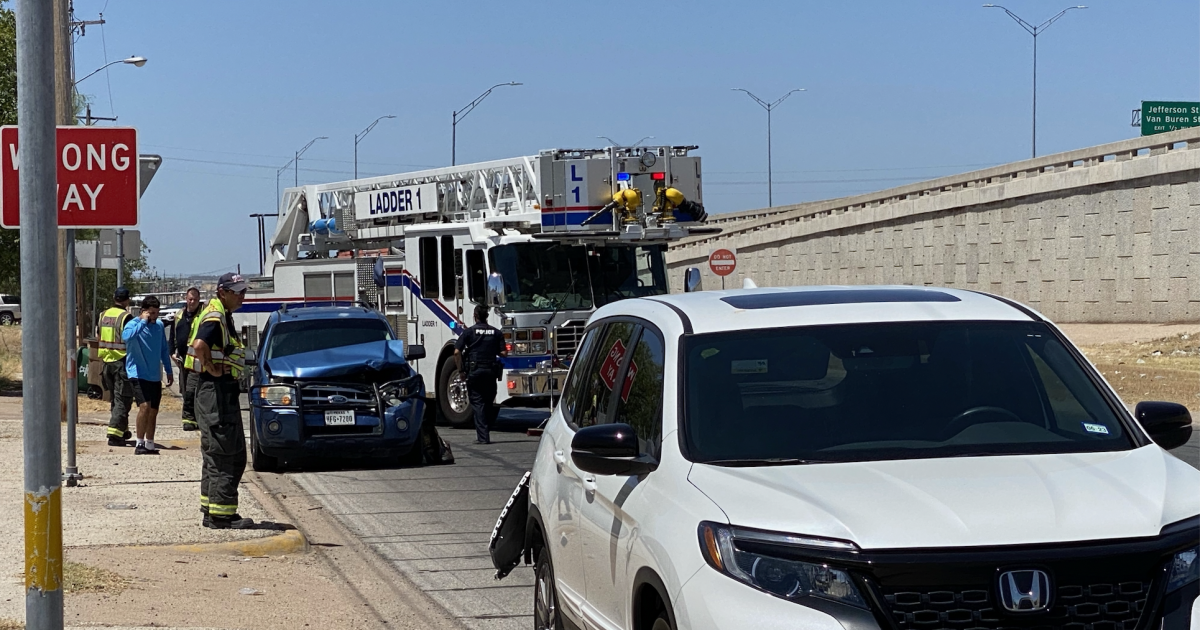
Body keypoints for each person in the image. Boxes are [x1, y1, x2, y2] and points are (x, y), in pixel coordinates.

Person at [186, 273, 251, 529]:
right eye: (238, 291)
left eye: (244, 291)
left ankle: (212, 510)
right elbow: (200, 344)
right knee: (227, 454)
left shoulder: (220, 314)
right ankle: (221, 515)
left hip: (217, 392)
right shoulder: (215, 317)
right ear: (223, 292)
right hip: (216, 392)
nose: (242, 295)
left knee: (217, 454)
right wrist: (211, 368)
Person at [122, 296, 174, 455]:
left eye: (156, 313)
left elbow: (164, 350)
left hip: (154, 374)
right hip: (137, 372)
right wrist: (143, 322)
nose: (154, 316)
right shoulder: (133, 324)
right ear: (144, 312)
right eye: (151, 313)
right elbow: (127, 337)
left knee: (153, 410)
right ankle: (139, 443)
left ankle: (150, 443)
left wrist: (169, 370)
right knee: (144, 407)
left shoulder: (158, 326)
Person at [454, 304, 507, 444]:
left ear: (475, 316)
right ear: (487, 316)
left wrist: (461, 371)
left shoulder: (468, 333)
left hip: (475, 372)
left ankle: (483, 437)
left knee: (478, 403)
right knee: (488, 402)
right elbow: (504, 353)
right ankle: (486, 430)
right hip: (490, 372)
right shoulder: (496, 333)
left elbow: (456, 352)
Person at [99, 287, 134, 447]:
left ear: (114, 298)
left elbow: (99, 335)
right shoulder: (126, 317)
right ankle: (114, 434)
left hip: (107, 363)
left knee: (115, 398)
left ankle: (122, 430)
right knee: (123, 399)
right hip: (121, 361)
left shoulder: (103, 315)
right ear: (127, 300)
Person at [172, 287, 203, 431]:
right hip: (183, 359)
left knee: (191, 390)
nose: (192, 302)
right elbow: (173, 335)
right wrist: (172, 352)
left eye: (195, 300)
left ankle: (189, 419)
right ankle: (192, 418)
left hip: (197, 360)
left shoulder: (203, 314)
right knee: (185, 390)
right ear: (186, 298)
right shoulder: (179, 315)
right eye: (190, 299)